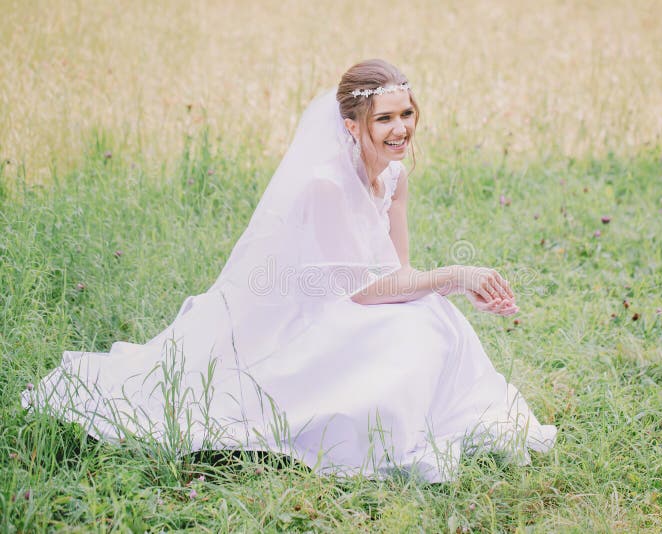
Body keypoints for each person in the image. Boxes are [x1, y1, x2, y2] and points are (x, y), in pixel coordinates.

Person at [23, 59, 556, 482]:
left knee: (435, 317)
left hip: (356, 297)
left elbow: (398, 270)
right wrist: (456, 275)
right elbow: (361, 290)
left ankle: (432, 423)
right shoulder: (326, 184)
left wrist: (452, 285)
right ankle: (377, 437)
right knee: (419, 323)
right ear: (352, 125)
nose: (400, 129)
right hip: (307, 313)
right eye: (384, 119)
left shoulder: (395, 177)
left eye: (407, 114)